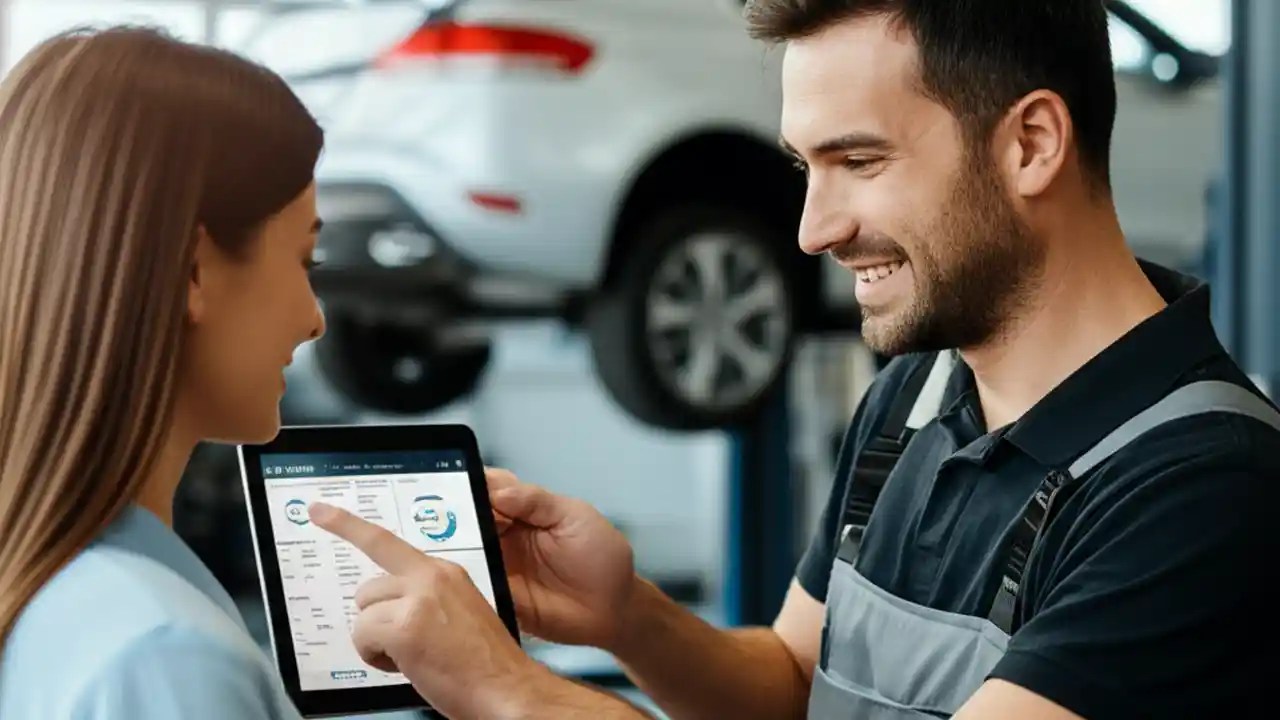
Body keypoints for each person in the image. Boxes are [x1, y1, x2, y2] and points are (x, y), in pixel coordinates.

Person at [308, 1, 1278, 718]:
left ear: (1029, 142)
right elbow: (788, 685)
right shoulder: (915, 393)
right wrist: (627, 616)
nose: (811, 230)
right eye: (802, 169)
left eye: (858, 163)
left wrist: (508, 693)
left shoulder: (1203, 486)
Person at [0, 26, 327, 718]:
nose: (314, 318)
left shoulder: (61, 597)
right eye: (305, 262)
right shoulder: (169, 653)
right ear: (193, 270)